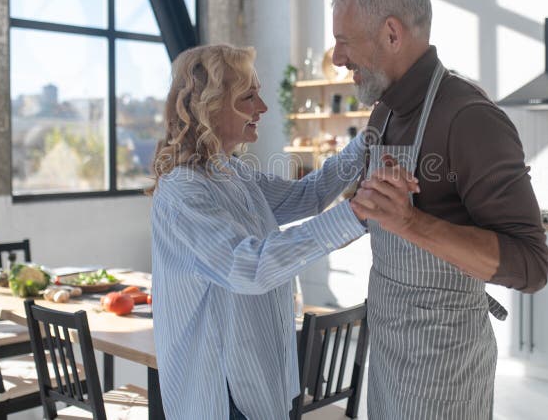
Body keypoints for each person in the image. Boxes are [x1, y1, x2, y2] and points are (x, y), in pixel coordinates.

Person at [331, 0, 548, 419]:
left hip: (444, 366)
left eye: (344, 42)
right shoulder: (383, 113)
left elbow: (530, 265)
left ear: (392, 34)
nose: (337, 58)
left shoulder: (470, 118)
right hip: (388, 350)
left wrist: (410, 221)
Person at [148, 44, 386, 419]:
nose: (262, 107)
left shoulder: (231, 171)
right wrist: (353, 215)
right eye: (248, 96)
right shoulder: (183, 190)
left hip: (256, 378)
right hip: (222, 392)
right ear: (209, 107)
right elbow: (248, 266)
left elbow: (306, 196)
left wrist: (368, 137)